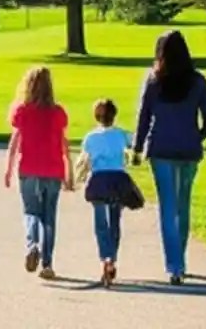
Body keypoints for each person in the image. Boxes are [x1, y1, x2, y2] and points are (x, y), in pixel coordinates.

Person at [132, 30, 206, 285]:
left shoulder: (154, 80)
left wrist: (137, 147)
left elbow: (144, 116)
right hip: (188, 150)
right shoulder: (198, 81)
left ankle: (174, 265)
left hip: (161, 149)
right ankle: (180, 256)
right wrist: (197, 136)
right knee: (183, 205)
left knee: (167, 208)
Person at [4, 66, 73, 280]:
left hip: (29, 169)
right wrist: (69, 171)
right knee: (49, 216)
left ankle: (32, 245)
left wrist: (8, 169)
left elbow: (15, 142)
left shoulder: (22, 112)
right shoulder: (58, 113)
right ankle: (48, 263)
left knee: (30, 212)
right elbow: (64, 144)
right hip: (53, 170)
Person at [76, 98, 144, 288]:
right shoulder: (121, 135)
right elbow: (137, 141)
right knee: (115, 221)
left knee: (100, 224)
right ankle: (112, 258)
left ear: (96, 116)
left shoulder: (90, 137)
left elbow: (85, 161)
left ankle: (104, 257)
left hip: (98, 181)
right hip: (117, 180)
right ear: (114, 115)